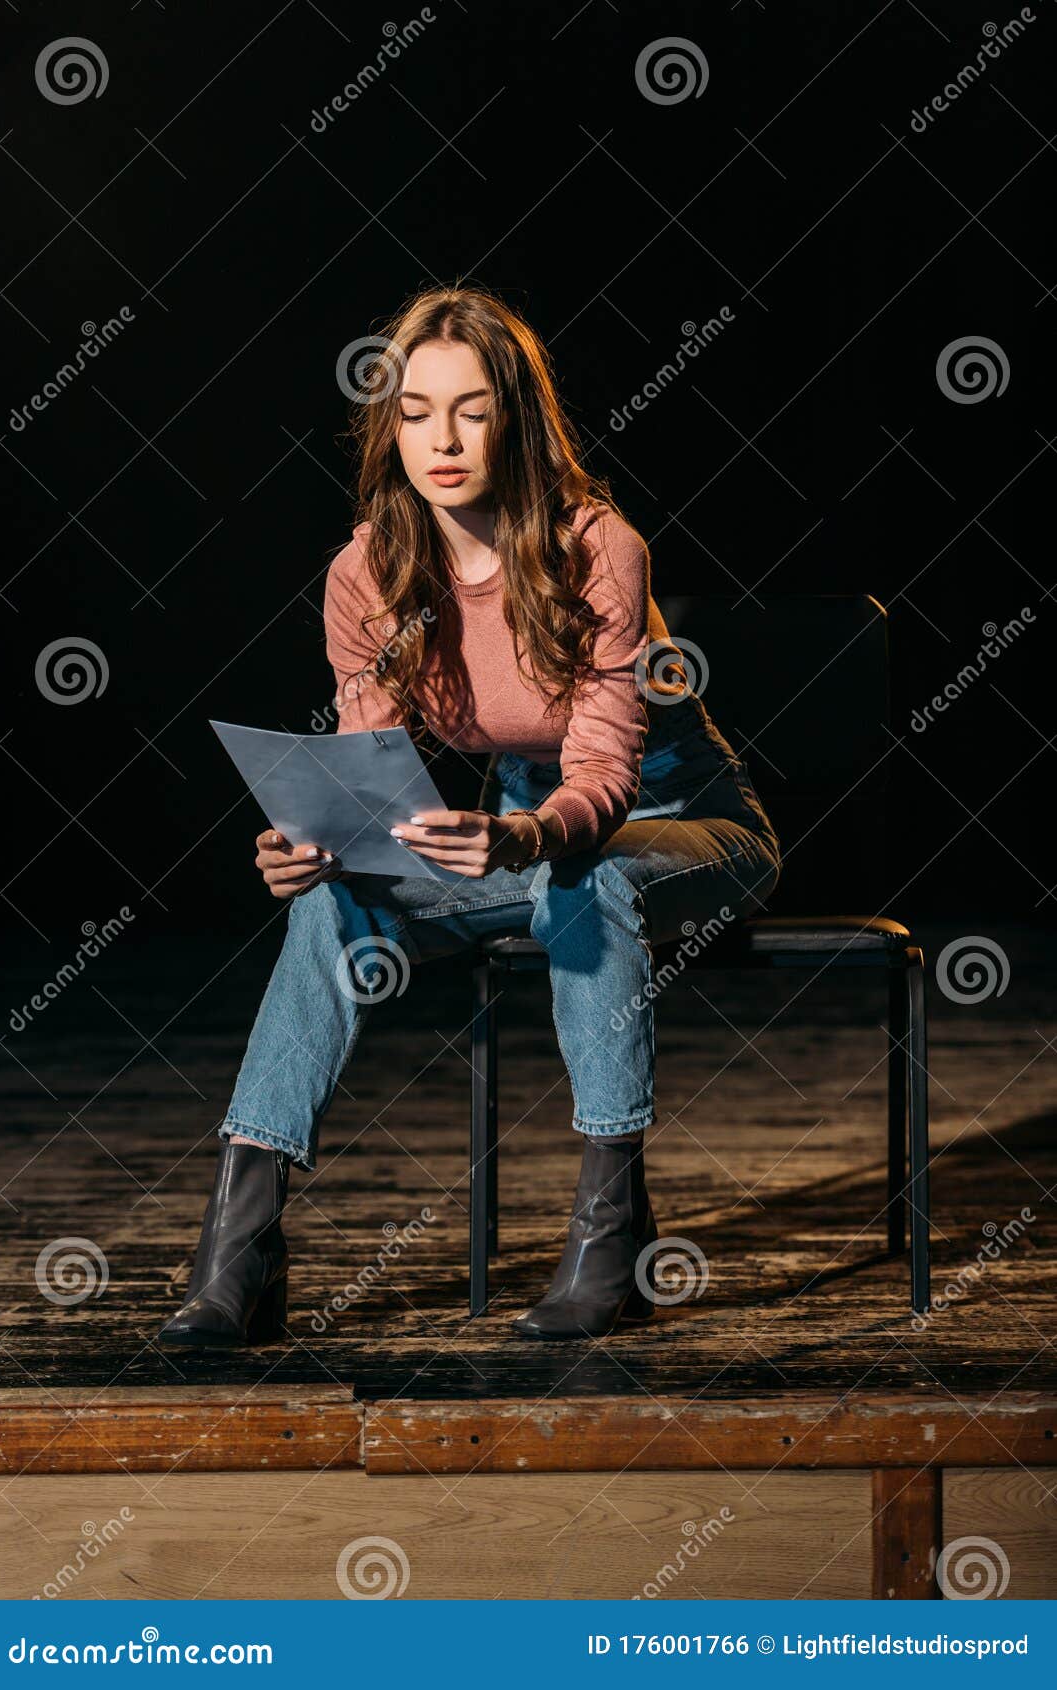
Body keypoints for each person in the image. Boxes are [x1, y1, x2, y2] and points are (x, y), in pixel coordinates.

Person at [157, 283, 781, 1350]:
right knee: (338, 898)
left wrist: (530, 835)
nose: (440, 439)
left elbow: (604, 770)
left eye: (473, 409)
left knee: (599, 877)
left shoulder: (598, 550)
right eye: (414, 410)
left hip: (684, 822)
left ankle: (611, 1231)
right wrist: (313, 844)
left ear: (517, 419)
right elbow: (363, 771)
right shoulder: (369, 571)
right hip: (523, 837)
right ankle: (243, 1247)